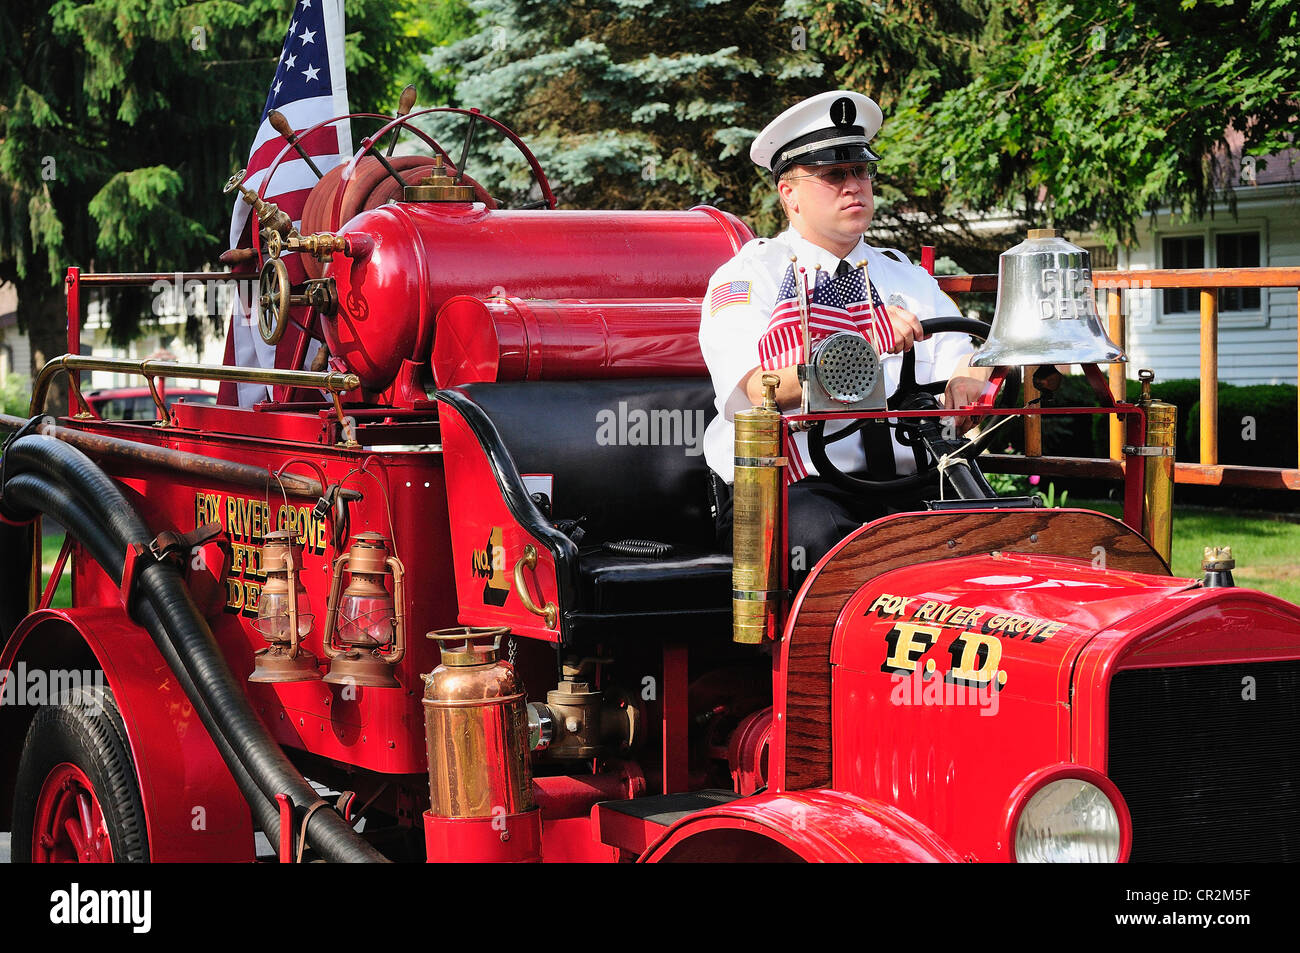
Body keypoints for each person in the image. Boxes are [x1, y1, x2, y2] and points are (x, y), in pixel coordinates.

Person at [699, 90, 995, 578]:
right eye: (833, 175)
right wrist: (864, 340)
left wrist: (967, 379)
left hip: (912, 482)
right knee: (839, 557)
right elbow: (759, 391)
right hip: (795, 489)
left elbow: (960, 353)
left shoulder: (905, 277)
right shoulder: (751, 280)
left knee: (998, 539)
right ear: (788, 194)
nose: (853, 186)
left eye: (860, 171)